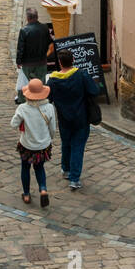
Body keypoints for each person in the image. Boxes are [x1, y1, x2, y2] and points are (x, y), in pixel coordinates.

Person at [48, 51, 100, 189]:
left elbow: (48, 99)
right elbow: (94, 91)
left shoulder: (53, 80)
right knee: (78, 146)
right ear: (74, 59)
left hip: (64, 118)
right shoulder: (82, 75)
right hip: (81, 117)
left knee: (66, 143)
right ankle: (74, 178)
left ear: (60, 62)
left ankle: (66, 169)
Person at [11, 78, 55, 208]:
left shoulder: (23, 108)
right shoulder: (49, 107)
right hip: (43, 145)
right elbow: (52, 128)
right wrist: (49, 139)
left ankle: (26, 194)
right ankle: (43, 189)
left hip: (27, 145)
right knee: (39, 167)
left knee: (25, 167)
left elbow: (13, 124)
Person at [15, 7, 54, 102]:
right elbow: (50, 42)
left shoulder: (24, 30)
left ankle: (22, 100)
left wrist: (18, 61)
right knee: (41, 82)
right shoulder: (45, 27)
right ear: (37, 16)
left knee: (25, 83)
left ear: (27, 18)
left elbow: (20, 48)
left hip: (28, 63)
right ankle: (40, 99)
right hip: (41, 61)